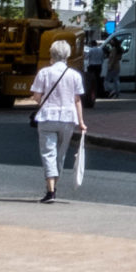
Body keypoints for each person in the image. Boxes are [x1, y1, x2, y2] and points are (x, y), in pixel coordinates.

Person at [25, 38, 87, 205]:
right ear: (67, 55)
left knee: (48, 153)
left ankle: (50, 190)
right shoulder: (74, 75)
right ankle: (53, 188)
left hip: (47, 117)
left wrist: (43, 100)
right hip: (68, 118)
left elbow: (36, 96)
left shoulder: (44, 73)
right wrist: (81, 122)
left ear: (51, 54)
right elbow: (77, 100)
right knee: (60, 154)